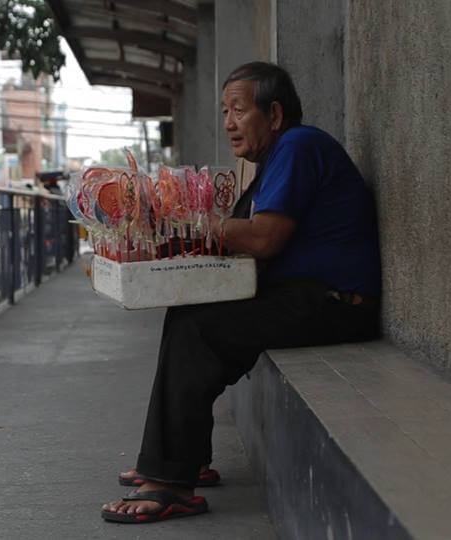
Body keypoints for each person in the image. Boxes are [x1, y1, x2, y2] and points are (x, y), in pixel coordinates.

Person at [101, 62, 381, 524]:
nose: (228, 122)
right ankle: (184, 459)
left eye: (238, 109)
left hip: (335, 302)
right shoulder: (271, 163)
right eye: (224, 110)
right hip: (303, 294)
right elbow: (241, 245)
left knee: (197, 328)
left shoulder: (298, 145)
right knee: (187, 312)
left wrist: (198, 222)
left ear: (273, 115)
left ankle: (171, 482)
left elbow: (263, 239)